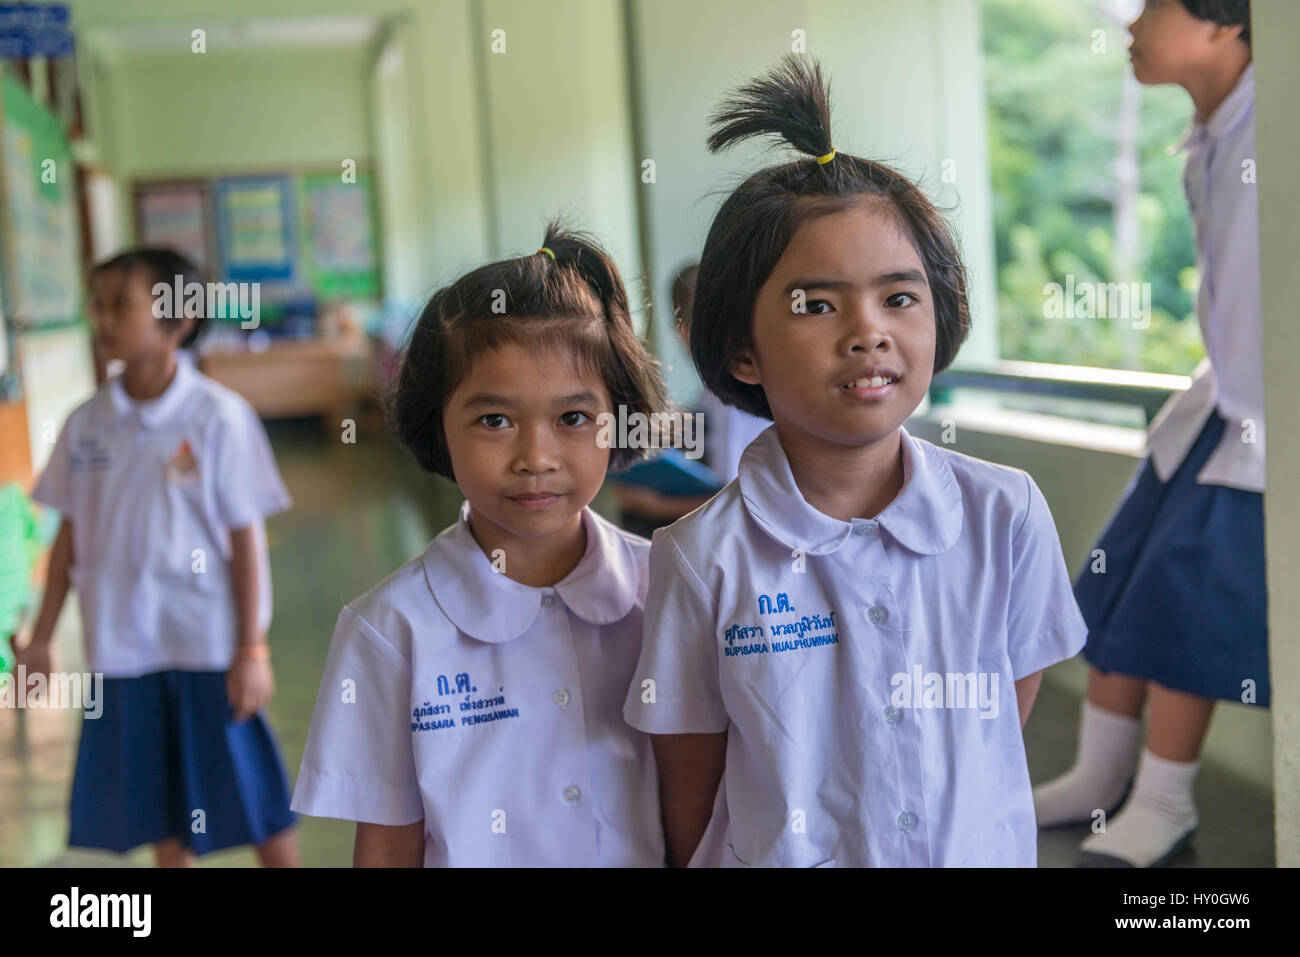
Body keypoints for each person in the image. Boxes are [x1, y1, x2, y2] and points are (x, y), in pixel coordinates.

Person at [623, 55, 1087, 867]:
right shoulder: (701, 559)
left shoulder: (1005, 515)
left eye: (900, 297)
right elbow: (690, 784)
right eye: (817, 304)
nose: (868, 330)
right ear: (739, 350)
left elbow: (997, 718)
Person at [291, 224, 671, 866]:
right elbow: (386, 848)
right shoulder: (390, 630)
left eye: (573, 419)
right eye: (494, 421)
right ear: (436, 421)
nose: (536, 457)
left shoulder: (666, 591)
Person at [1033, 0, 1261, 869]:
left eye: (1153, 3)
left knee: (1180, 600)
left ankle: (1163, 801)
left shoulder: (1271, 129)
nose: (1130, 20)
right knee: (1118, 575)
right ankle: (1099, 777)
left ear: (1223, 22)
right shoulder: (1211, 130)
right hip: (1216, 402)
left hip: (1262, 415)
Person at [15, 248, 299, 866]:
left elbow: (246, 540)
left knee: (256, 794)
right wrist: (39, 639)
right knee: (162, 805)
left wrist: (252, 650)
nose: (103, 318)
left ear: (179, 319)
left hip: (208, 643)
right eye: (97, 303)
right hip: (122, 647)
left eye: (122, 303)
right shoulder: (86, 424)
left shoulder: (218, 418)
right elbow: (69, 535)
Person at [613, 263, 768, 535]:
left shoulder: (735, 394)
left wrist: (656, 506)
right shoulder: (712, 393)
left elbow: (738, 502)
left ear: (683, 330)